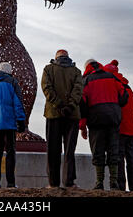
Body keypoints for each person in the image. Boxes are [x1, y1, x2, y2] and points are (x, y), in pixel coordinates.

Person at [80, 59, 128, 190]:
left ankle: (99, 182)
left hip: (96, 120)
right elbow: (124, 95)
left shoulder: (87, 80)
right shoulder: (111, 77)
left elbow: (82, 104)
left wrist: (82, 126)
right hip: (113, 119)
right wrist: (115, 105)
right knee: (114, 150)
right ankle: (113, 182)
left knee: (98, 150)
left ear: (87, 68)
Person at [41, 49, 83, 188]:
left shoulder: (48, 69)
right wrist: (70, 106)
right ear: (68, 57)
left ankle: (53, 183)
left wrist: (58, 104)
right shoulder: (76, 71)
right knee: (69, 150)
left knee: (53, 150)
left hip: (53, 114)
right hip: (72, 115)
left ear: (56, 57)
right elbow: (78, 90)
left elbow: (47, 88)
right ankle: (69, 182)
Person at [104, 60, 133, 191]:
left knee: (118, 159)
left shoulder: (113, 85)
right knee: (132, 159)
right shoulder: (128, 87)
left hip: (120, 129)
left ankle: (120, 188)